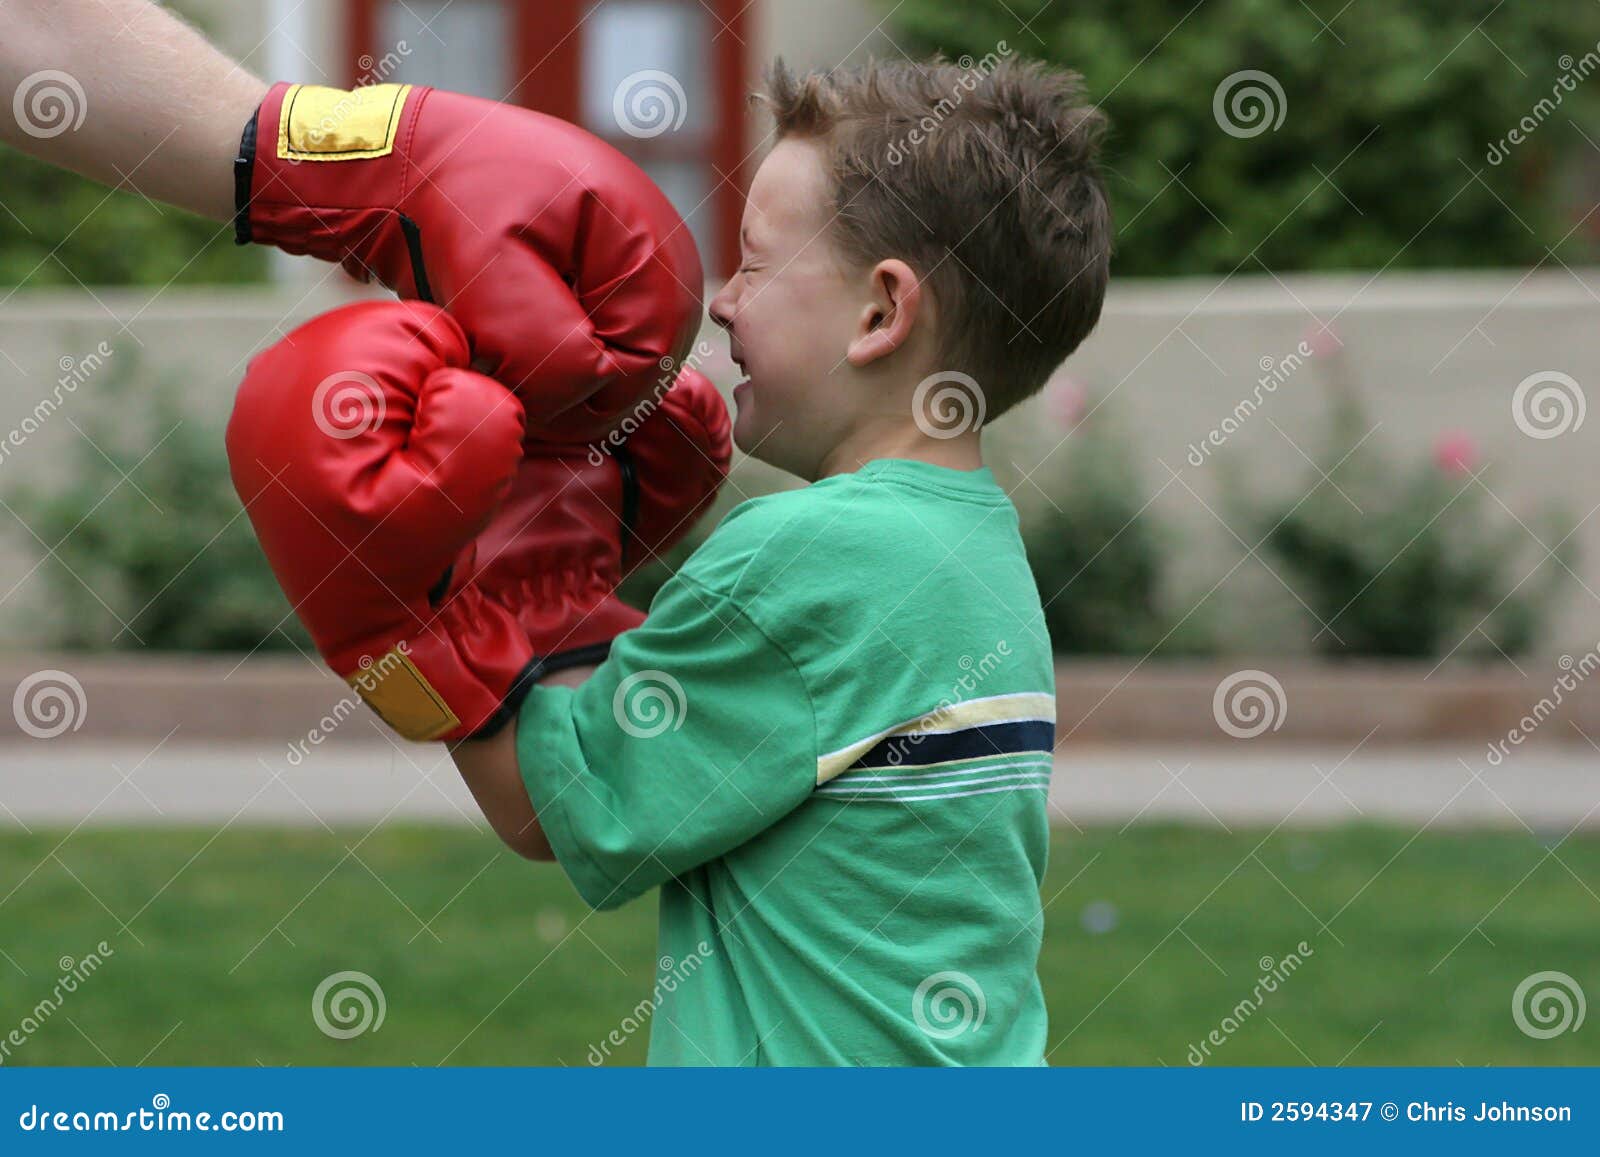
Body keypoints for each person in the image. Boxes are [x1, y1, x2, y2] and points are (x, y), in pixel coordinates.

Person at [447, 56, 1112, 1064]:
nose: (722, 302)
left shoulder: (803, 550)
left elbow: (562, 807)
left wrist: (401, 603)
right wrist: (567, 584)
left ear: (882, 312)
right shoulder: (976, 544)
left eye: (754, 264)